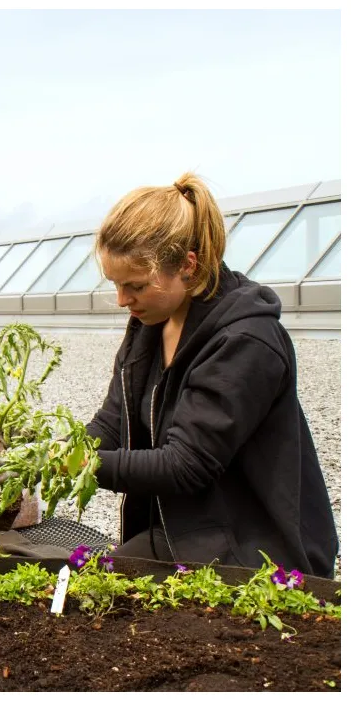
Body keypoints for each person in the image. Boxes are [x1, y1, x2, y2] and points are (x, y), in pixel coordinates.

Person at [86, 172, 338, 577]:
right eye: (116, 284)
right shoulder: (150, 323)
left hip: (255, 551)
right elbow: (112, 423)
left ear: (187, 265)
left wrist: (78, 465)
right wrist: (49, 455)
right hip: (185, 531)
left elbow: (186, 465)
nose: (121, 300)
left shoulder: (247, 339)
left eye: (134, 285)